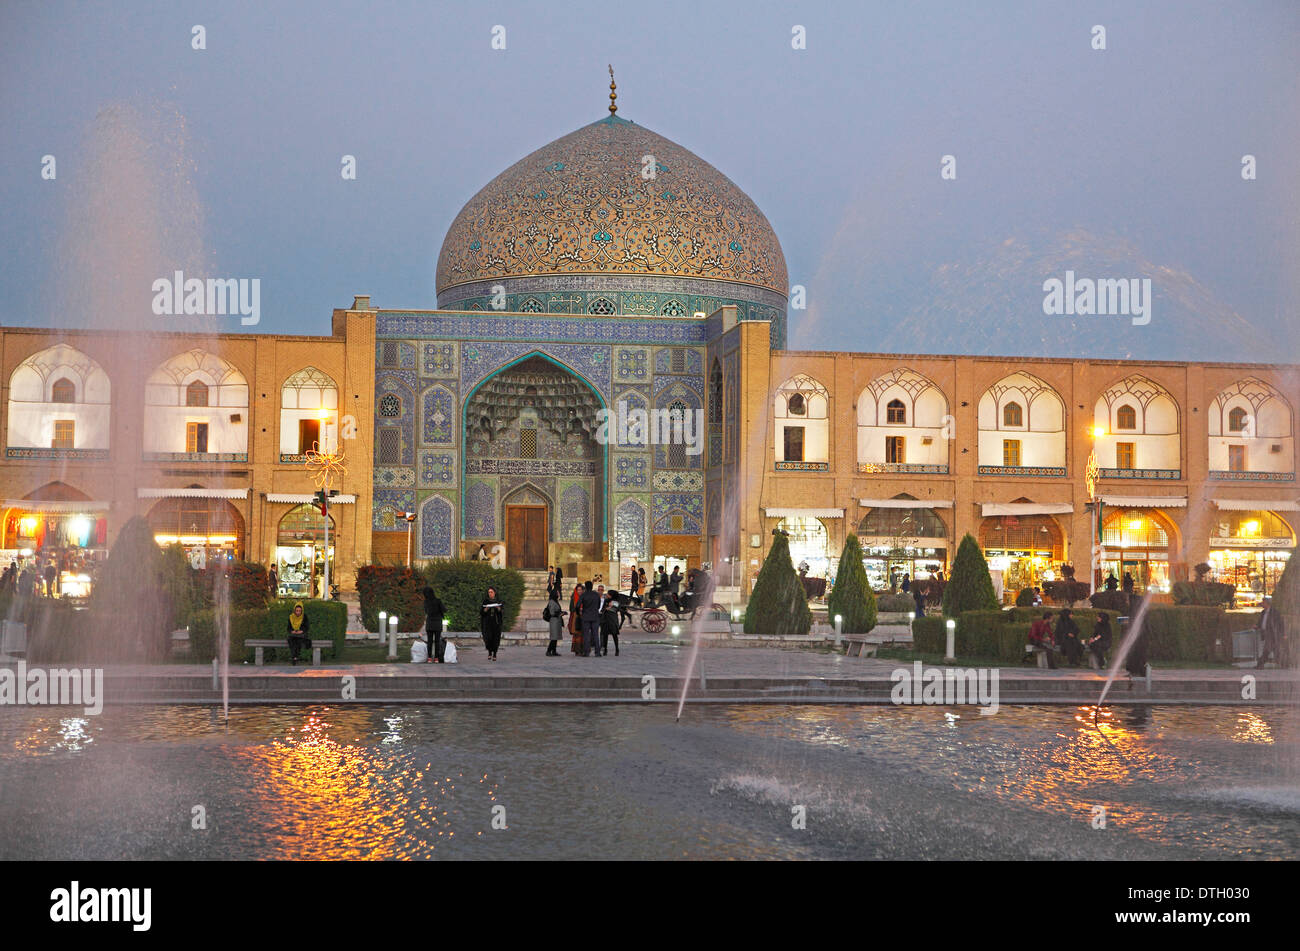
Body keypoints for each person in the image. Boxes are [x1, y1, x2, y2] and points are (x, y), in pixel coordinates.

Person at [1256, 596, 1285, 668]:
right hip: (1266, 633)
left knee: (1267, 649)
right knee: (1275, 650)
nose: (1262, 604)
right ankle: (1284, 664)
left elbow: (1281, 623)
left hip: (1272, 634)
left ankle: (1260, 664)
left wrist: (1283, 633)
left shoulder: (1274, 612)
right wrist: (1257, 626)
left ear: (1267, 603)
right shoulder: (1263, 612)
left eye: (1263, 602)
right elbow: (1261, 622)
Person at [578, 581, 602, 657]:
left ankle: (586, 652)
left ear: (585, 587)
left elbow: (577, 605)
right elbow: (598, 606)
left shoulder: (583, 595)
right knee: (595, 635)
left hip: (585, 616)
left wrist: (579, 613)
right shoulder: (596, 595)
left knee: (586, 635)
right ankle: (597, 652)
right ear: (592, 586)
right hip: (595, 616)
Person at [423, 585, 445, 663]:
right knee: (437, 641)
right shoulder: (438, 601)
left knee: (429, 641)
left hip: (430, 623)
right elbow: (444, 609)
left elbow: (426, 611)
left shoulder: (426, 602)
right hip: (437, 623)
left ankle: (429, 658)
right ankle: (436, 658)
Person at [480, 587, 504, 661]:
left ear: (495, 592)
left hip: (496, 623)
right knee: (488, 638)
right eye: (489, 592)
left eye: (491, 592)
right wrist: (486, 609)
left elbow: (502, 612)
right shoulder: (485, 601)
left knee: (496, 638)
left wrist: (498, 608)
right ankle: (489, 652)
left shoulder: (499, 601)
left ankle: (495, 654)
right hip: (487, 623)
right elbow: (481, 613)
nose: (490, 593)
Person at [286, 601, 311, 666]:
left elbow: (307, 627)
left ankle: (294, 657)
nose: (298, 612)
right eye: (297, 611)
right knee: (291, 641)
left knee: (298, 641)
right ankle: (295, 657)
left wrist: (302, 631)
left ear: (302, 611)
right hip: (293, 635)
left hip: (302, 635)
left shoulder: (304, 617)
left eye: (299, 611)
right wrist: (292, 631)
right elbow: (288, 628)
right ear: (294, 610)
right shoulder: (291, 617)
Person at [599, 586, 621, 656]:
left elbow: (617, 608)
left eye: (608, 594)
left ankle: (617, 649)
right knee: (605, 635)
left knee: (614, 635)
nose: (607, 595)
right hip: (605, 619)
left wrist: (611, 606)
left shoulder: (616, 602)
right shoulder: (606, 601)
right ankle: (605, 649)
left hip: (613, 620)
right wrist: (605, 608)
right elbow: (602, 609)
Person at [543, 590, 565, 656]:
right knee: (554, 637)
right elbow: (552, 612)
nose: (558, 594)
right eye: (557, 592)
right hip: (554, 622)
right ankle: (548, 651)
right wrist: (560, 614)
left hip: (557, 621)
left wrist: (561, 613)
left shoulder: (555, 601)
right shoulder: (552, 602)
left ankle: (554, 651)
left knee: (555, 637)